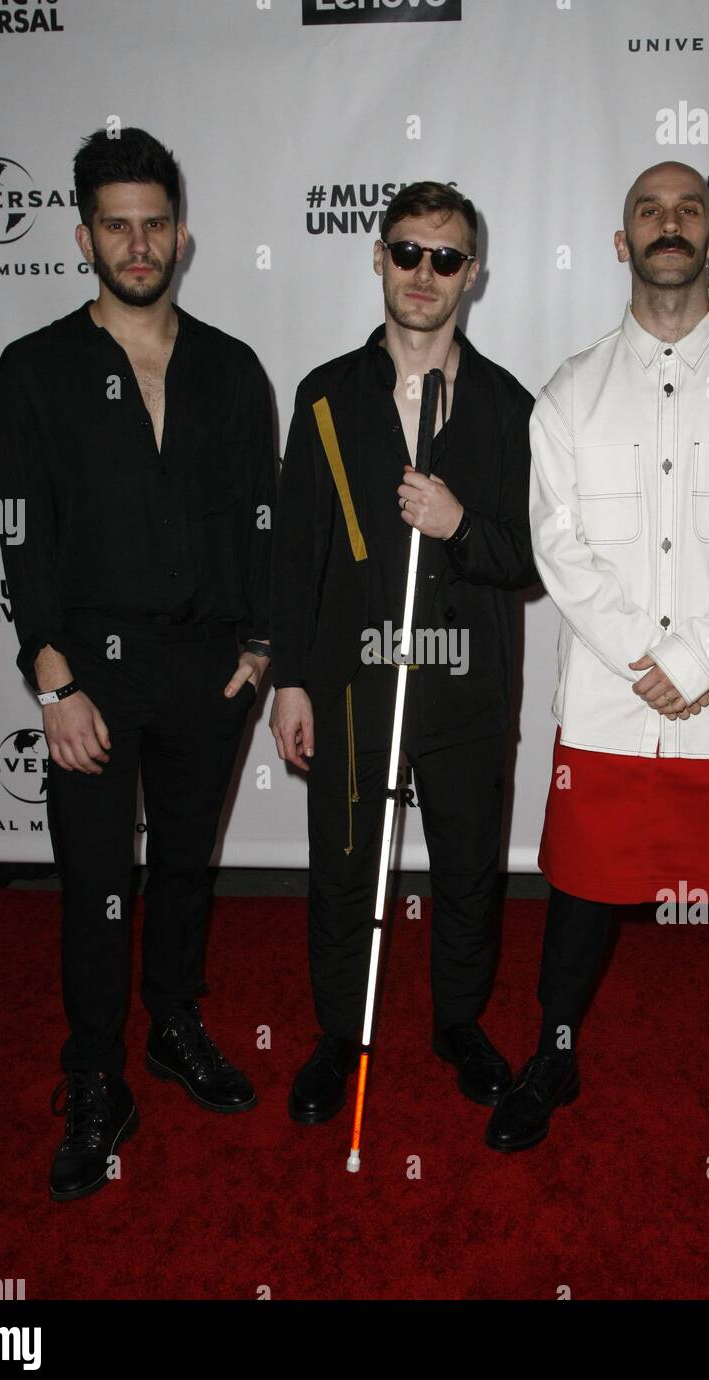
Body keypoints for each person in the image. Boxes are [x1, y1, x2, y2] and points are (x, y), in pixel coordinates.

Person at [491, 161, 709, 1176]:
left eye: (689, 210)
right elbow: (558, 548)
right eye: (648, 210)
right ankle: (554, 1060)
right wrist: (650, 663)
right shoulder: (566, 393)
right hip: (611, 706)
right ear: (620, 242)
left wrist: (696, 659)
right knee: (579, 894)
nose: (669, 225)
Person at [0, 127, 276, 1201]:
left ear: (183, 235)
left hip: (208, 668)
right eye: (118, 224)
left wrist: (258, 647)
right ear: (83, 236)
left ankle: (176, 1028)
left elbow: (260, 521)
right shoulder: (33, 370)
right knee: (96, 884)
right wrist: (53, 680)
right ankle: (97, 1074)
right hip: (91, 678)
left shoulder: (232, 368)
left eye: (155, 223)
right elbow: (23, 535)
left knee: (188, 867)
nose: (139, 242)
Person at [270, 181, 537, 1125]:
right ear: (378, 258)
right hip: (349, 681)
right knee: (344, 864)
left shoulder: (508, 406)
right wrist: (290, 676)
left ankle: (456, 1023)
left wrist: (460, 522)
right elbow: (295, 548)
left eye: (447, 258)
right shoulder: (324, 396)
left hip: (466, 677)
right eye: (408, 253)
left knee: (468, 864)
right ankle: (340, 1033)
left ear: (474, 275)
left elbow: (535, 558)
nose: (425, 273)